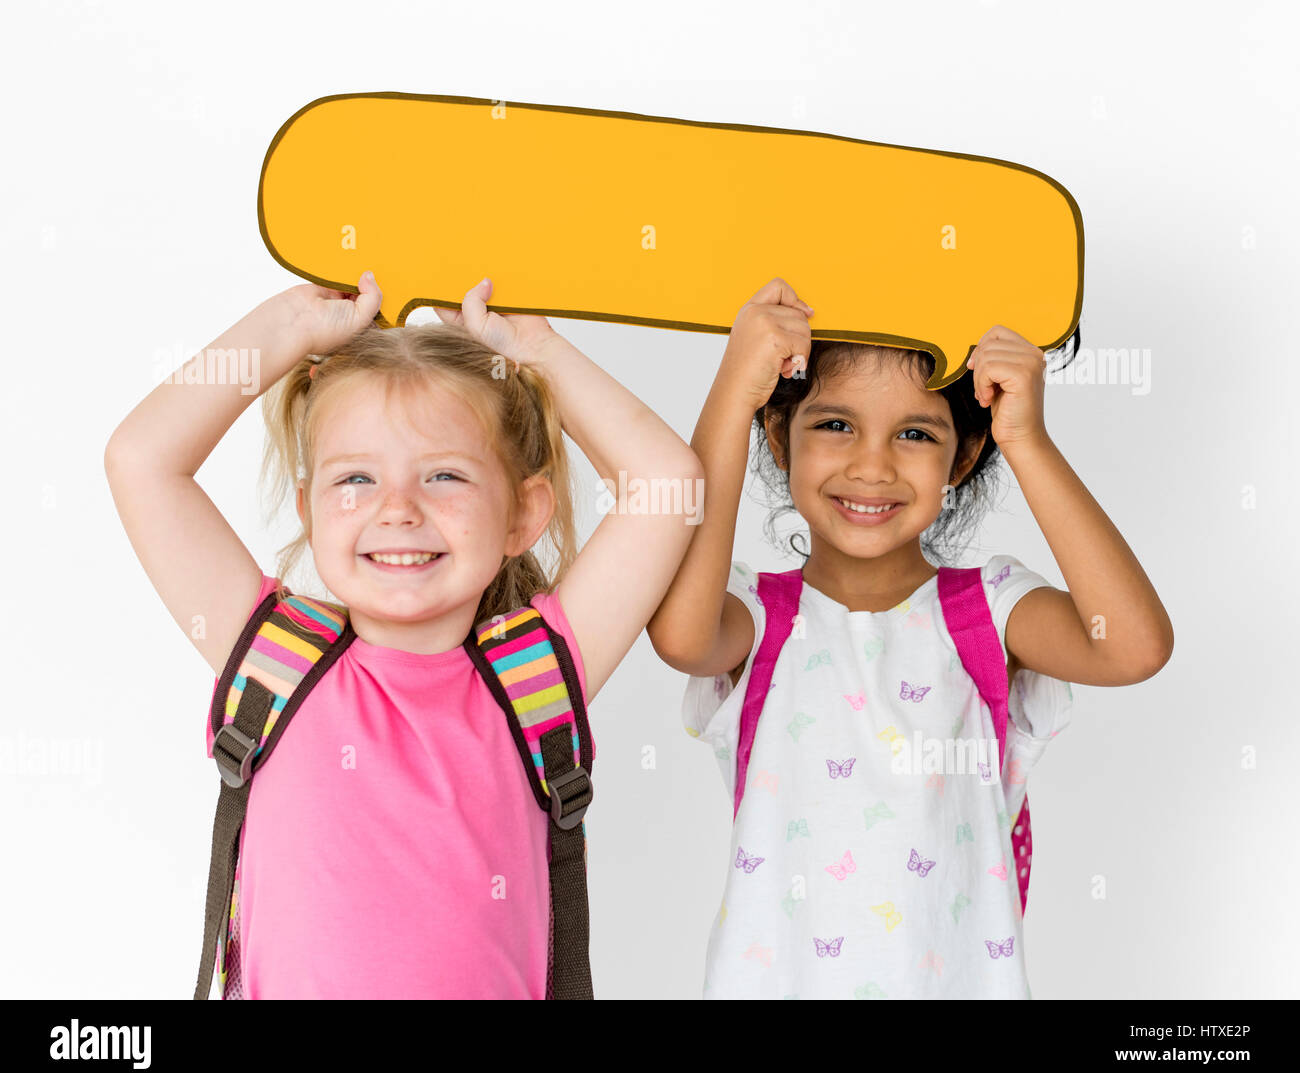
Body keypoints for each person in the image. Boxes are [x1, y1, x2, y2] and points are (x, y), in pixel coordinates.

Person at [104, 271, 702, 998]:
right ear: (309, 509)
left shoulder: (533, 676)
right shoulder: (274, 658)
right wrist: (288, 323)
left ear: (523, 512)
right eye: (355, 478)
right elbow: (140, 461)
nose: (397, 509)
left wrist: (535, 349)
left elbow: (668, 483)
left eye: (444, 475)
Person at [647, 277, 1173, 998]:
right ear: (778, 436)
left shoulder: (986, 613)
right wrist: (733, 394)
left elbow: (1133, 646)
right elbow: (679, 634)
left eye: (915, 434)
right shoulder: (757, 617)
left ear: (962, 457)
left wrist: (1028, 439)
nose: (873, 465)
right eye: (835, 424)